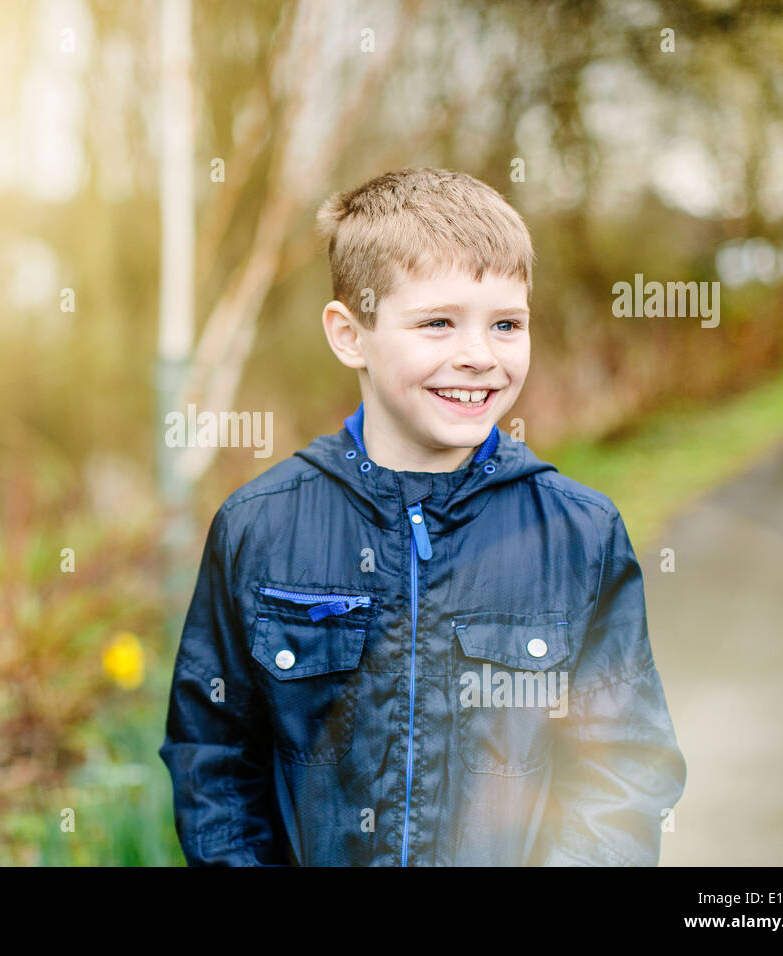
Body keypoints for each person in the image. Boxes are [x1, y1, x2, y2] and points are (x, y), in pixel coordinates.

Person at [157, 167, 687, 866]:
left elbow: (623, 771)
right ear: (351, 335)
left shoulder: (580, 535)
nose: (478, 356)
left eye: (506, 324)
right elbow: (215, 755)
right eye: (438, 323)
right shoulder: (259, 527)